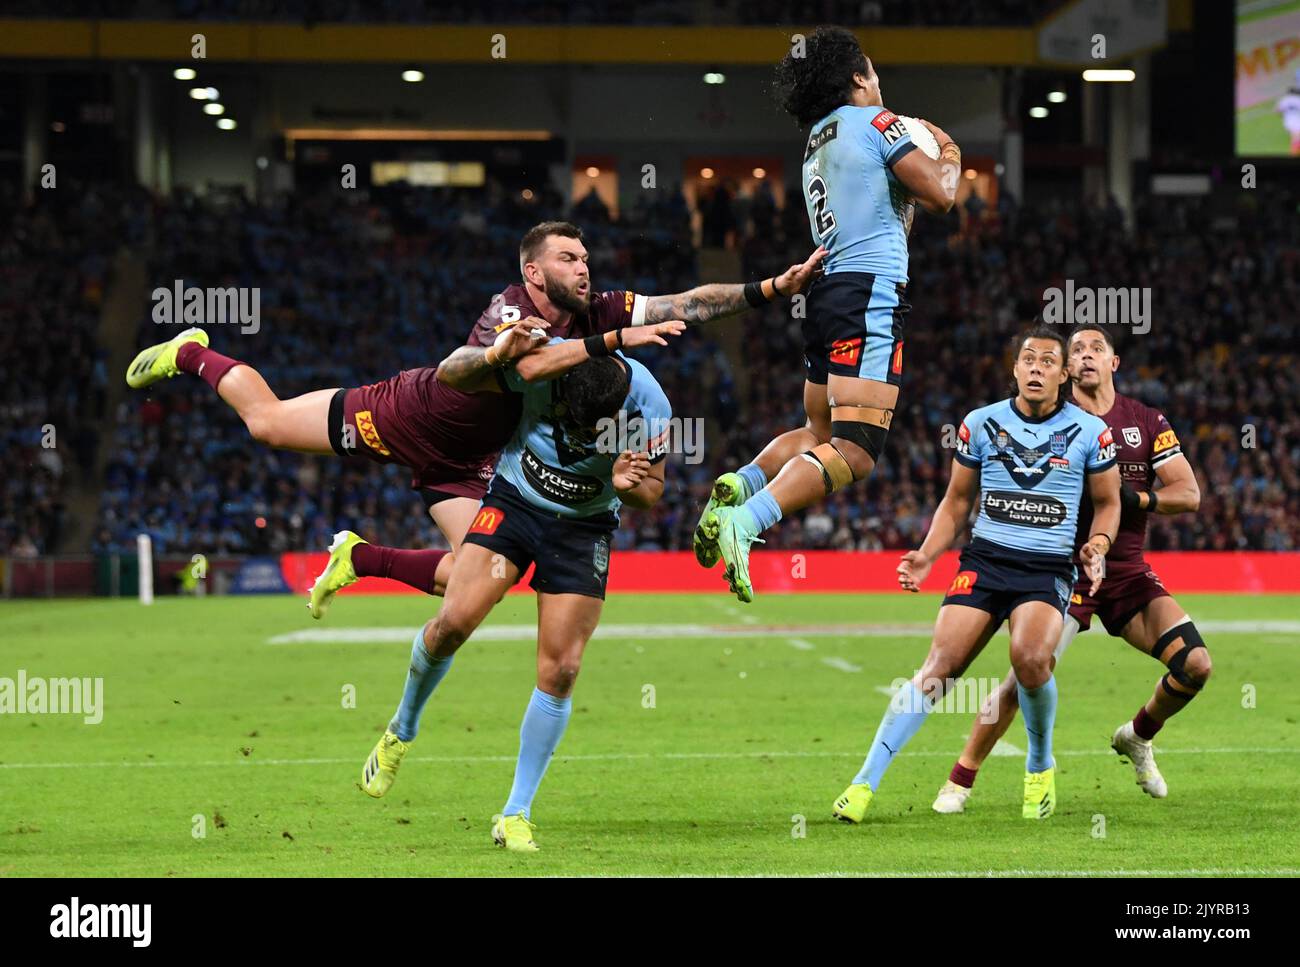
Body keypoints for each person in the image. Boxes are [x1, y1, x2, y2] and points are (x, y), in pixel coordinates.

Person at [124, 220, 824, 606]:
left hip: (474, 465)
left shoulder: (596, 308)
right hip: (408, 418)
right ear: (533, 272)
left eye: (586, 257)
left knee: (480, 577)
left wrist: (769, 287)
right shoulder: (511, 313)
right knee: (267, 423)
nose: (585, 268)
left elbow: (687, 305)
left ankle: (358, 555)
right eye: (569, 258)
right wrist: (594, 342)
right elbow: (498, 366)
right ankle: (192, 353)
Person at [357, 321, 673, 853]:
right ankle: (401, 730)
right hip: (514, 504)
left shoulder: (650, 406)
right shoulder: (541, 363)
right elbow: (452, 375)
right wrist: (495, 352)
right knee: (453, 622)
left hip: (583, 527)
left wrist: (629, 486)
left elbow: (655, 491)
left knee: (563, 668)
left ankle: (515, 813)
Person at [694, 26, 960, 602]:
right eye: (874, 70)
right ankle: (751, 518)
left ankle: (740, 485)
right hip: (868, 293)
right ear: (859, 78)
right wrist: (951, 151)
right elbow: (943, 195)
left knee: (818, 430)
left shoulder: (818, 137)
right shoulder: (878, 124)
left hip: (826, 294)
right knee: (857, 449)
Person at [832, 326, 1121, 823]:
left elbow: (1108, 502)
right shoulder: (981, 424)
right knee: (938, 669)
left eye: (1048, 361)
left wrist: (1098, 544)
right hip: (985, 561)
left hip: (1046, 567)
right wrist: (927, 555)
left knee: (1030, 660)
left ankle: (1038, 766)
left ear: (1065, 373)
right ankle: (863, 784)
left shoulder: (1092, 433)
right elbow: (957, 502)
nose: (1036, 368)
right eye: (1028, 359)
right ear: (1014, 369)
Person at [932, 324, 1208, 813]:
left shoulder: (1145, 421)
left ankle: (1138, 736)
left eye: (1095, 349)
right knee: (1026, 673)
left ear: (1113, 363)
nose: (1084, 356)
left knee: (1195, 665)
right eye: (1075, 350)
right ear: (1064, 370)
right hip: (1062, 569)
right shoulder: (1055, 420)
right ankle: (961, 778)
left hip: (1123, 571)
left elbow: (1189, 494)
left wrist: (1137, 498)